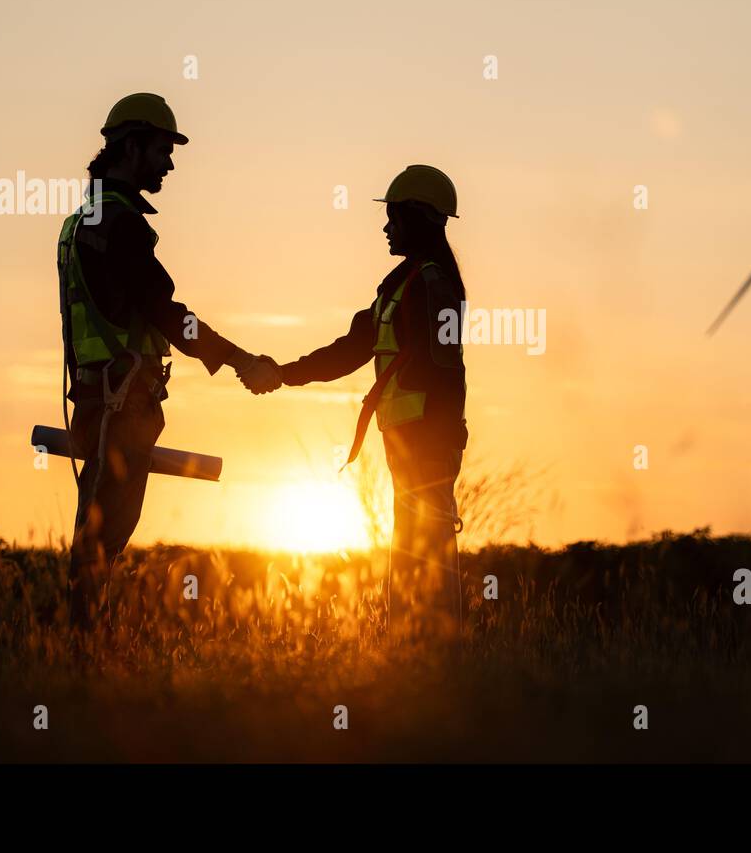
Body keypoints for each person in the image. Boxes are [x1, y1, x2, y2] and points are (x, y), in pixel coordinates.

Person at [57, 92, 279, 632]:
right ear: (131, 147)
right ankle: (80, 644)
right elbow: (164, 313)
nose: (170, 162)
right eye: (162, 149)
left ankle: (73, 643)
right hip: (124, 399)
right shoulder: (122, 222)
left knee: (94, 527)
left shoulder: (80, 220)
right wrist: (237, 359)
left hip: (92, 395)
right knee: (105, 535)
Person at [274, 164, 468, 641]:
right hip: (405, 440)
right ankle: (411, 646)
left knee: (429, 548)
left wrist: (445, 441)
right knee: (411, 545)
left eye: (395, 216)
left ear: (420, 218)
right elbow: (350, 349)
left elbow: (446, 368)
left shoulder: (431, 283)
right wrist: (284, 373)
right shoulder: (397, 287)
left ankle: (436, 649)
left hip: (427, 440)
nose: (386, 226)